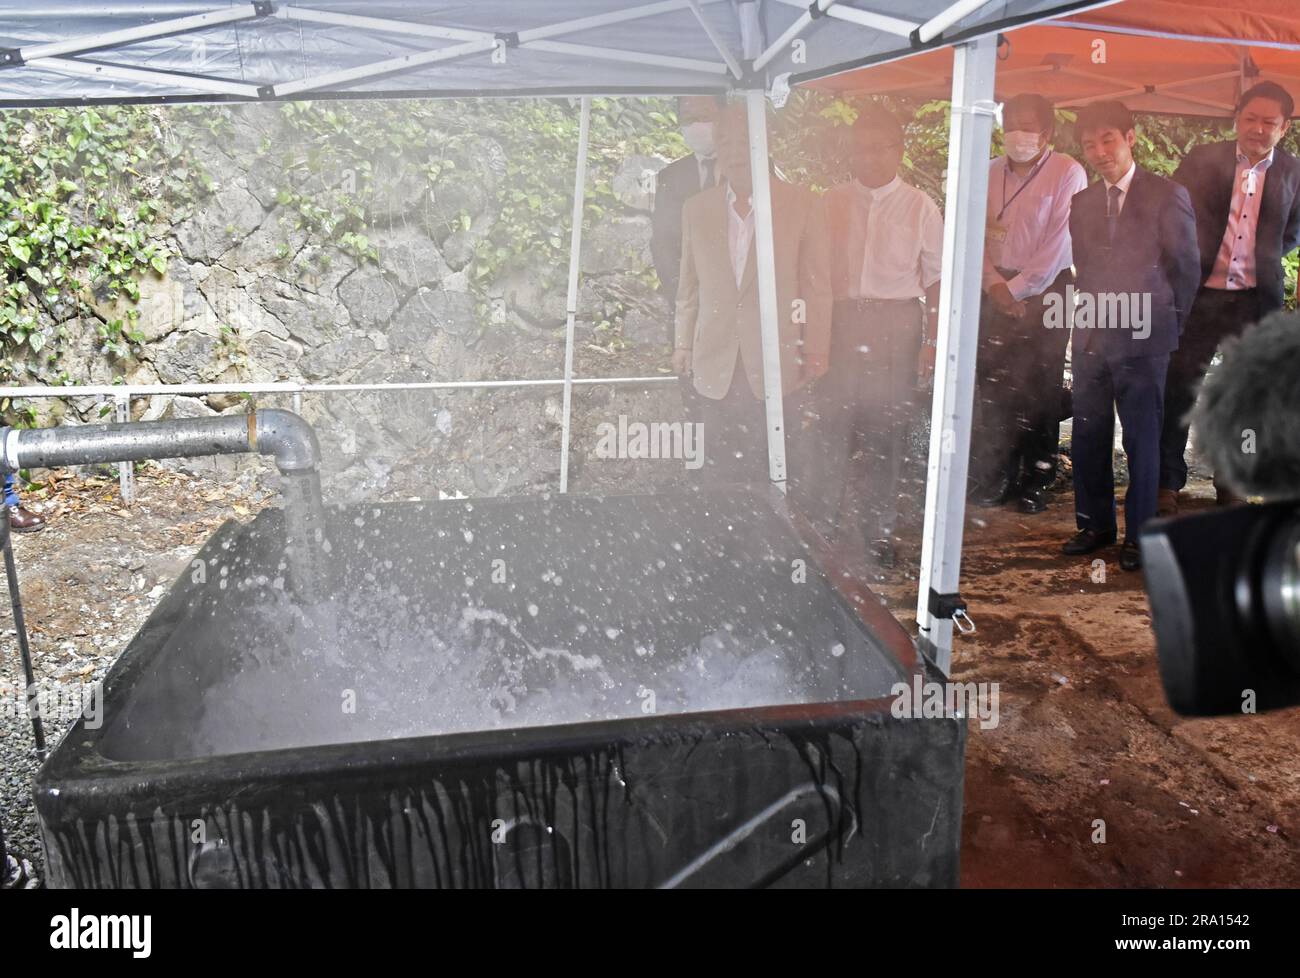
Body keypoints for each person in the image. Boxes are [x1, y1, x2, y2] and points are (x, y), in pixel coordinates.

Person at [1063, 101, 1201, 571]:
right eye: (1089, 145)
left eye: (1108, 140)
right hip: (1092, 335)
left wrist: (1168, 326)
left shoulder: (1167, 194)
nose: (1100, 152)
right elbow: (1085, 267)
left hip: (1145, 336)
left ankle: (1140, 536)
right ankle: (1095, 524)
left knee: (1142, 437)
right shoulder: (1081, 202)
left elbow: (1185, 269)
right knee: (1088, 432)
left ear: (1130, 138)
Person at [672, 101, 831, 489]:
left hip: (778, 358)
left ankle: (775, 542)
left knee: (778, 464)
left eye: (744, 140)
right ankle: (724, 543)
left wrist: (816, 348)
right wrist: (682, 344)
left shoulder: (802, 204)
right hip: (714, 358)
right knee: (720, 469)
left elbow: (816, 285)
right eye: (725, 140)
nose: (735, 150)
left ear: (765, 142)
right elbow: (688, 287)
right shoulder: (697, 209)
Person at [1159, 81, 1300, 515]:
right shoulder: (1204, 159)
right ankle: (1167, 483)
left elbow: (1294, 231)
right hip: (1199, 295)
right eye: (1250, 118)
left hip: (1255, 302)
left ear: (1284, 128)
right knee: (1179, 387)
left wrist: (1266, 256)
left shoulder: (1294, 172)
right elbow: (1172, 213)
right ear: (1237, 118)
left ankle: (1231, 480)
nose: (1257, 129)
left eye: (1269, 123)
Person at [820, 105, 943, 566]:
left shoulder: (919, 206)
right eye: (859, 149)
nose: (868, 157)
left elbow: (934, 279)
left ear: (899, 150)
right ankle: (825, 524)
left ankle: (879, 531)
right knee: (833, 424)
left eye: (878, 148)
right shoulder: (830, 202)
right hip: (840, 322)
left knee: (886, 430)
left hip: (897, 325)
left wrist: (930, 342)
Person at [971, 94, 1088, 514]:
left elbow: (1061, 244)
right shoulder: (984, 171)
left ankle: (1037, 475)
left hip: (1047, 291)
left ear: (1047, 132)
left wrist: (1018, 290)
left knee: (1039, 385)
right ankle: (997, 472)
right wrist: (994, 287)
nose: (1018, 134)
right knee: (995, 384)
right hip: (993, 288)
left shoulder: (1067, 172)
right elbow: (973, 234)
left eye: (1027, 125)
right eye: (1011, 124)